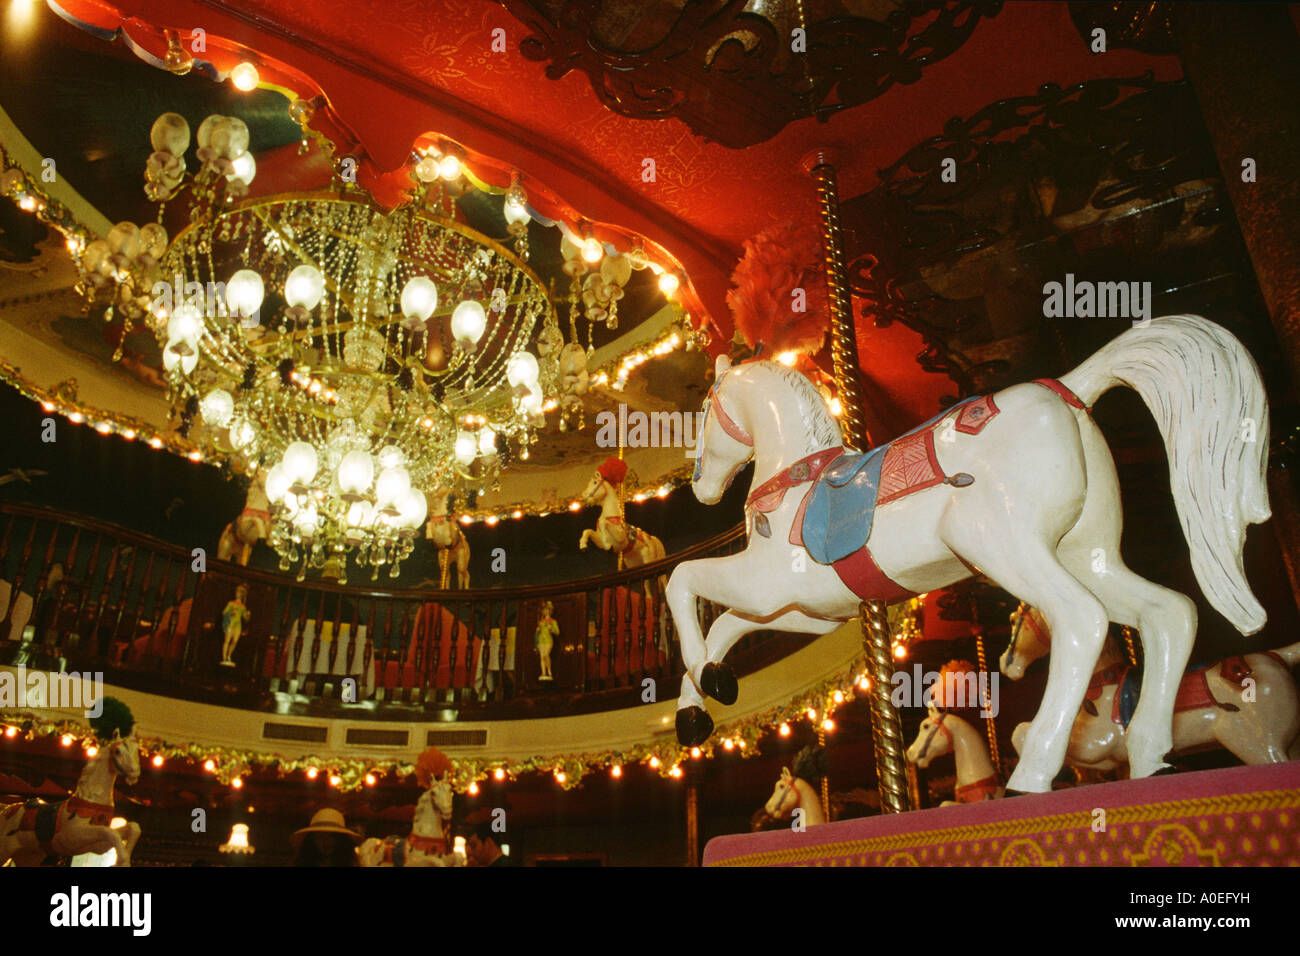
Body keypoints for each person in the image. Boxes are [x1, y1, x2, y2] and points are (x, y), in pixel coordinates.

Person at [291, 808, 361, 866]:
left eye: (331, 836)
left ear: (341, 839)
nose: (325, 841)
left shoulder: (352, 863)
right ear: (311, 840)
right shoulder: (302, 863)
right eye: (320, 837)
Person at [221, 583, 251, 666]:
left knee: (235, 641)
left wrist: (248, 615)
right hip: (230, 624)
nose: (237, 594)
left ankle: (229, 655)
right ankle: (224, 657)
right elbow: (224, 612)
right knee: (227, 640)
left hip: (238, 625)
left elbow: (246, 619)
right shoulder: (231, 603)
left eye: (239, 593)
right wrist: (231, 613)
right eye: (237, 592)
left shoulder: (243, 606)